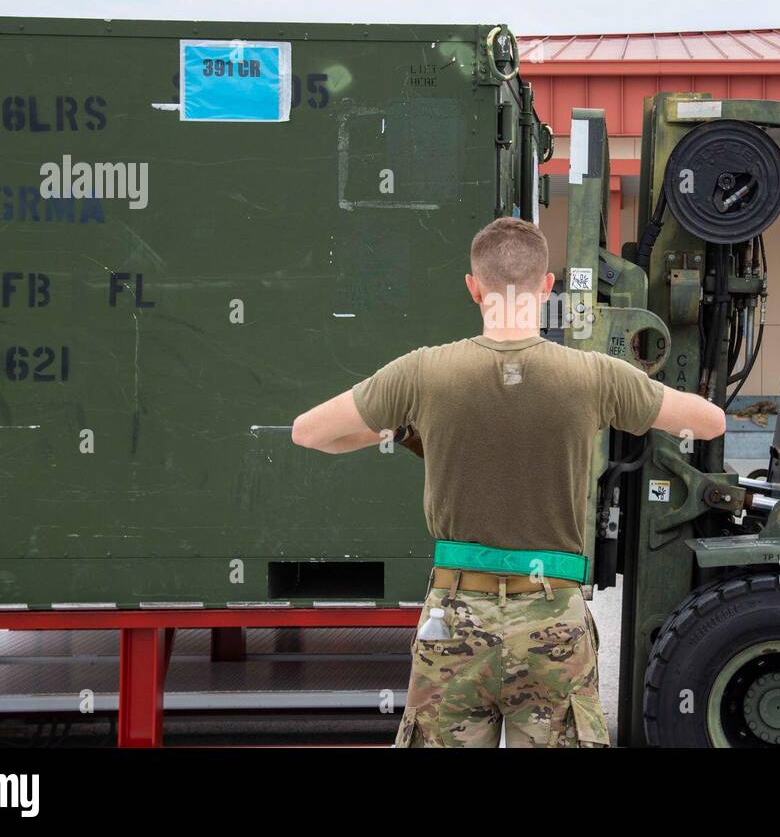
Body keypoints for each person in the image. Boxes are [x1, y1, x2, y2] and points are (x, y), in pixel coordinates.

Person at [290, 216, 726, 746]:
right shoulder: (594, 377)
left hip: (454, 621)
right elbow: (710, 423)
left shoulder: (423, 373)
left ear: (474, 287)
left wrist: (402, 425)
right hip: (553, 622)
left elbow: (309, 432)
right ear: (547, 287)